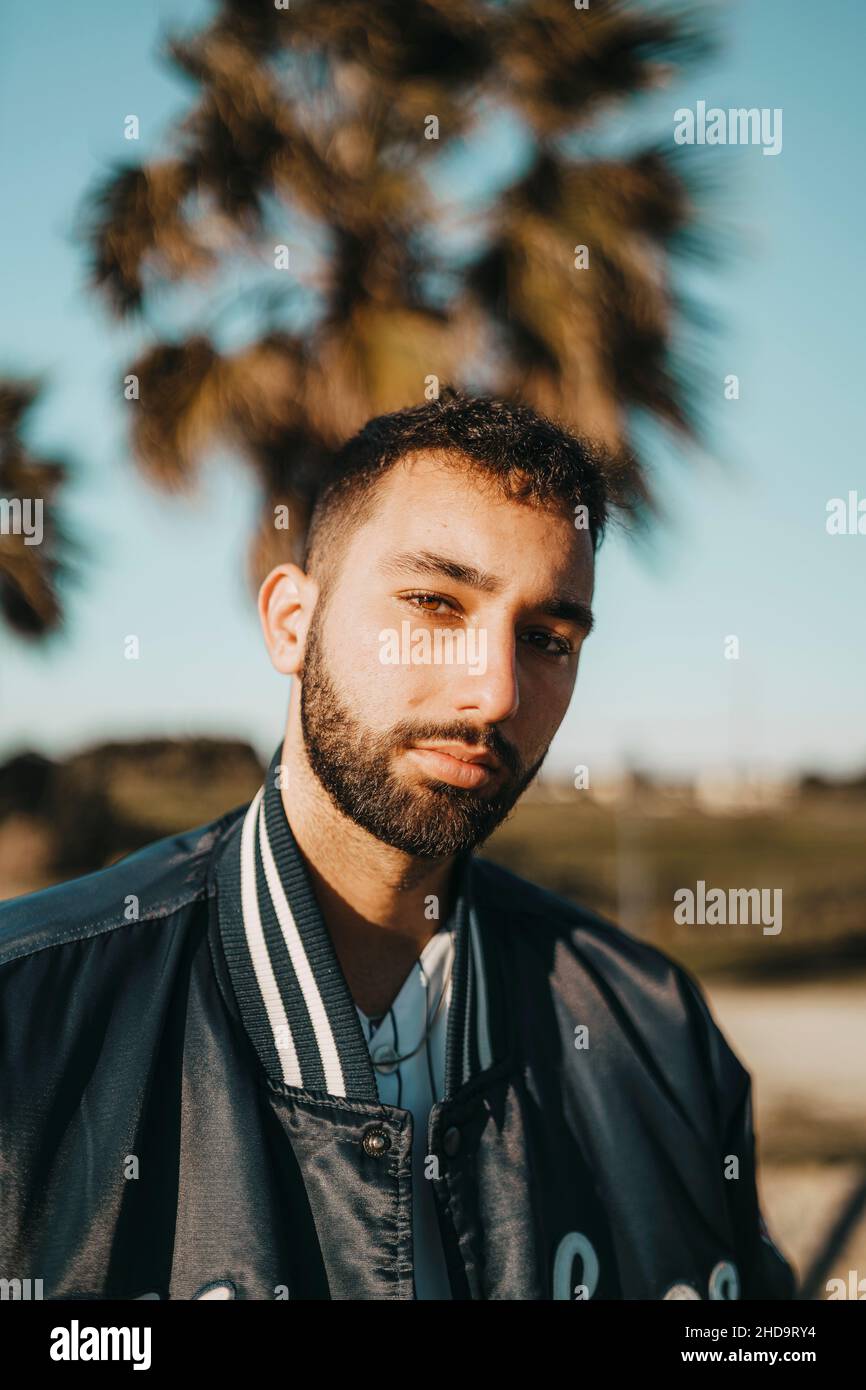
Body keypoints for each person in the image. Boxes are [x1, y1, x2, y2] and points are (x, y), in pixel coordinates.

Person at [0, 390, 795, 1300]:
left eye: (546, 637)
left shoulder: (655, 1031)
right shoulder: (30, 1020)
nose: (493, 692)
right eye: (434, 602)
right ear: (292, 624)